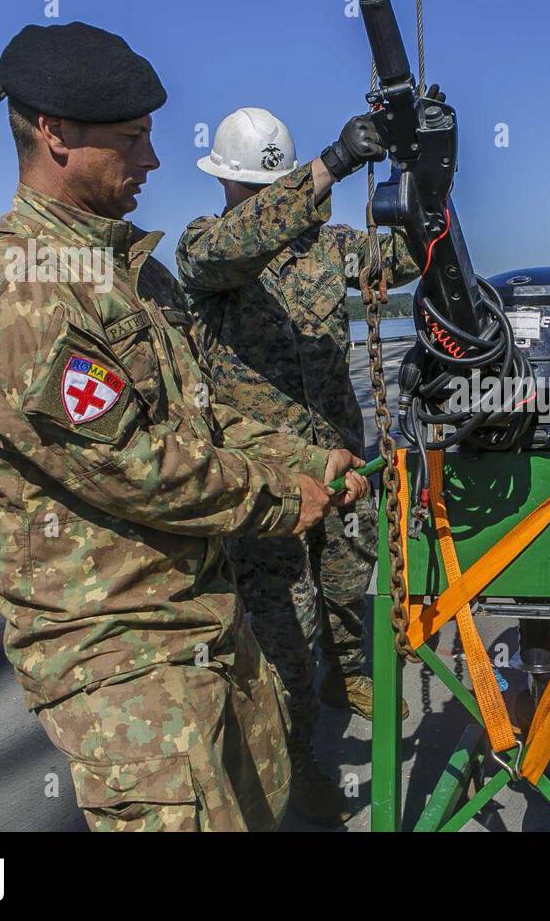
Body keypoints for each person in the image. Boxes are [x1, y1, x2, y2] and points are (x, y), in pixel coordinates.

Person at [0, 22, 368, 832]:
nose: (154, 160)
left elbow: (199, 412)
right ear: (55, 134)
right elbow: (133, 463)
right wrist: (285, 496)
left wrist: (308, 455)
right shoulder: (17, 285)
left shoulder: (134, 272)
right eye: (131, 139)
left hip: (206, 623)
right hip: (124, 660)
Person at [175, 104, 423, 825]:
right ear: (225, 184)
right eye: (257, 190)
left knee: (347, 583)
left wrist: (427, 178)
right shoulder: (205, 247)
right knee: (285, 628)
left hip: (338, 457)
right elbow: (237, 243)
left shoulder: (326, 248)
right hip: (267, 475)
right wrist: (332, 164)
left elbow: (409, 258)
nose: (273, 202)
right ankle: (296, 755)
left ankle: (348, 675)